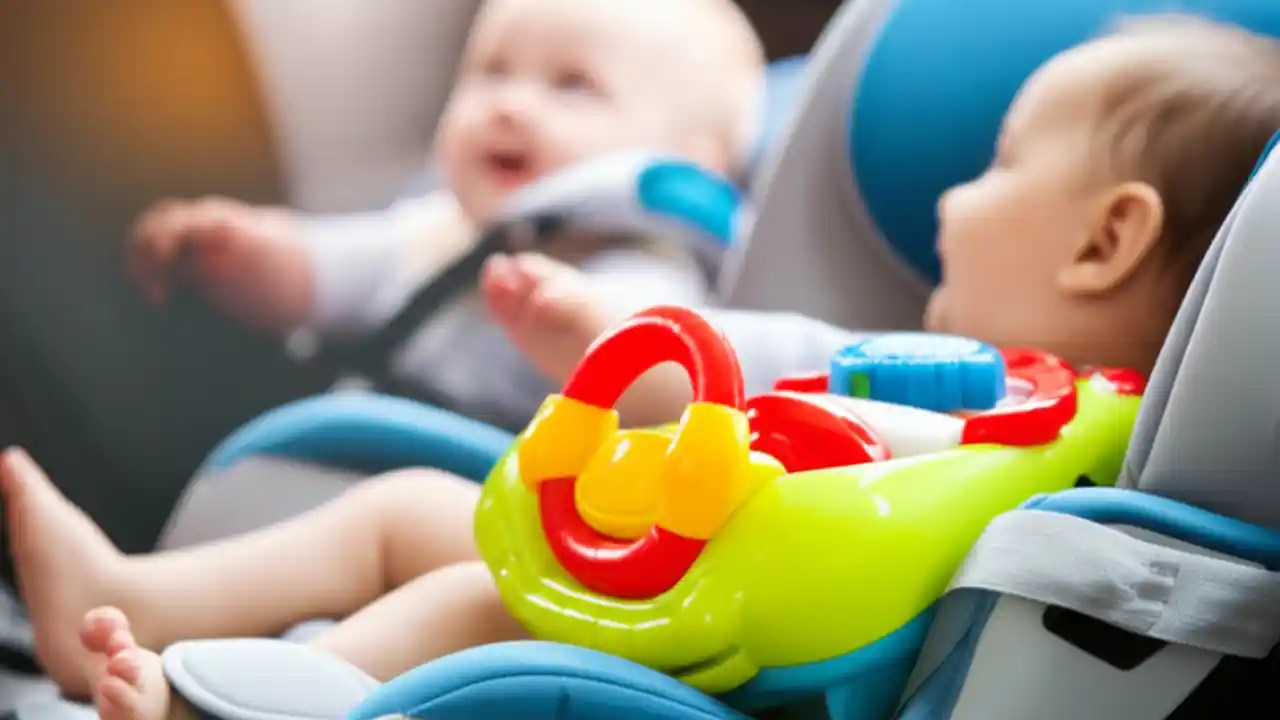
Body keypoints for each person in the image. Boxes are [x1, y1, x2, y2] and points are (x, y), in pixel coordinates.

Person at [5, 13, 1280, 720]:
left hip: (775, 662)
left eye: (997, 165)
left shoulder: (1063, 441)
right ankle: (136, 600)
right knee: (407, 513)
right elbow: (776, 370)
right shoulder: (977, 385)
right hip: (704, 584)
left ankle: (233, 708)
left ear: (1104, 241)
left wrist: (629, 357)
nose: (948, 200)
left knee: (482, 601)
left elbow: (779, 378)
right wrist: (615, 357)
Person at [126, 0, 766, 431]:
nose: (509, 104)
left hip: (499, 506)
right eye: (492, 72)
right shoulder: (439, 233)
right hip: (357, 445)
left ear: (684, 166)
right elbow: (327, 273)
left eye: (573, 85)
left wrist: (583, 330)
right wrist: (238, 253)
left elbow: (667, 377)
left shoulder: (644, 268)